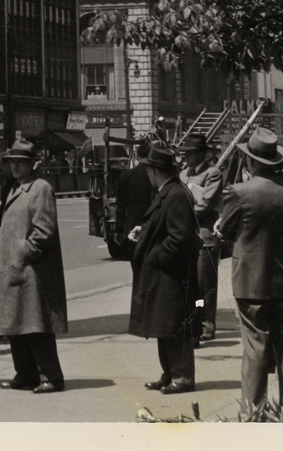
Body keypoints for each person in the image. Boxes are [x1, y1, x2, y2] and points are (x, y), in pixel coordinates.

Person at [216, 129, 283, 406]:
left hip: (251, 281)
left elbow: (226, 231)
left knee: (255, 347)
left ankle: (253, 410)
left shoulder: (240, 192)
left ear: (252, 163)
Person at [0, 138, 68, 394]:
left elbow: (44, 230)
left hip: (31, 271)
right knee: (17, 326)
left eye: (20, 162)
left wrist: (23, 253)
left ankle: (51, 377)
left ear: (31, 164)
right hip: (15, 269)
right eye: (12, 162)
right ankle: (25, 374)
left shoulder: (40, 188)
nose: (14, 166)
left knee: (37, 327)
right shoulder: (16, 187)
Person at [128, 139, 200, 395]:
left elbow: (180, 238)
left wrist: (154, 254)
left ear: (155, 171)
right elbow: (165, 228)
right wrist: (145, 232)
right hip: (164, 276)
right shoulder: (169, 192)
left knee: (174, 326)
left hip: (171, 275)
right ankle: (169, 373)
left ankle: (182, 377)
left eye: (148, 170)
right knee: (163, 325)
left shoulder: (176, 194)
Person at [179, 133, 225, 343]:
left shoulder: (212, 174)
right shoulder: (182, 175)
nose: (186, 157)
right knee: (192, 285)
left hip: (205, 237)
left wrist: (179, 216)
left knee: (204, 285)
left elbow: (205, 204)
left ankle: (207, 323)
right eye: (185, 154)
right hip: (187, 236)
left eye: (190, 154)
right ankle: (196, 321)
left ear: (201, 154)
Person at [114, 138, 155, 262]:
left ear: (137, 157)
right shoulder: (155, 175)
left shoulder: (125, 176)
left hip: (132, 229)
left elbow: (120, 206)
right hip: (152, 228)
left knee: (136, 267)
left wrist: (119, 230)